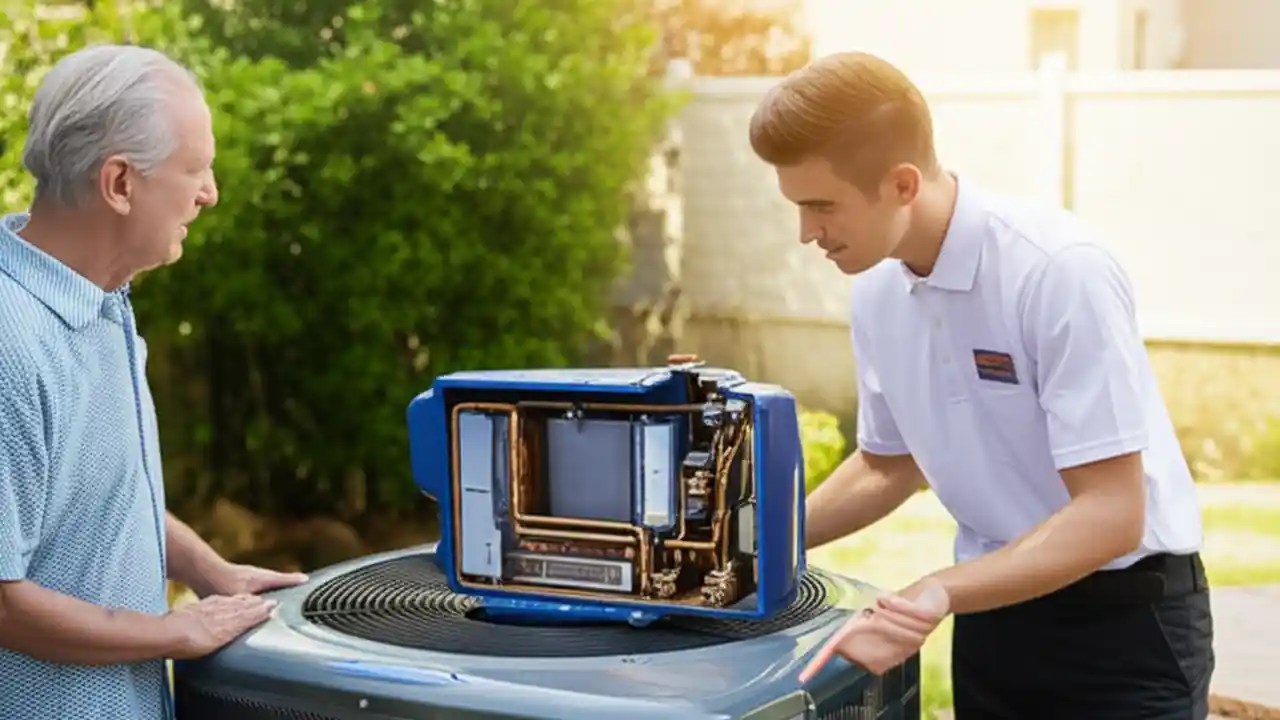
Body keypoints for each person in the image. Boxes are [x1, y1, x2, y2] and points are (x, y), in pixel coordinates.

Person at [750, 52, 1213, 719]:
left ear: (902, 184)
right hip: (993, 619)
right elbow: (888, 464)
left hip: (1125, 628)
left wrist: (940, 588)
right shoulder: (878, 288)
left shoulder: (1058, 271)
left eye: (822, 207)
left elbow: (1112, 513)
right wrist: (759, 548)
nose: (806, 234)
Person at [0, 44, 308, 720]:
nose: (210, 192)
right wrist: (171, 634)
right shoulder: (9, 343)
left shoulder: (101, 299)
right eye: (194, 169)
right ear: (119, 184)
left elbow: (90, 489)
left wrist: (208, 573)